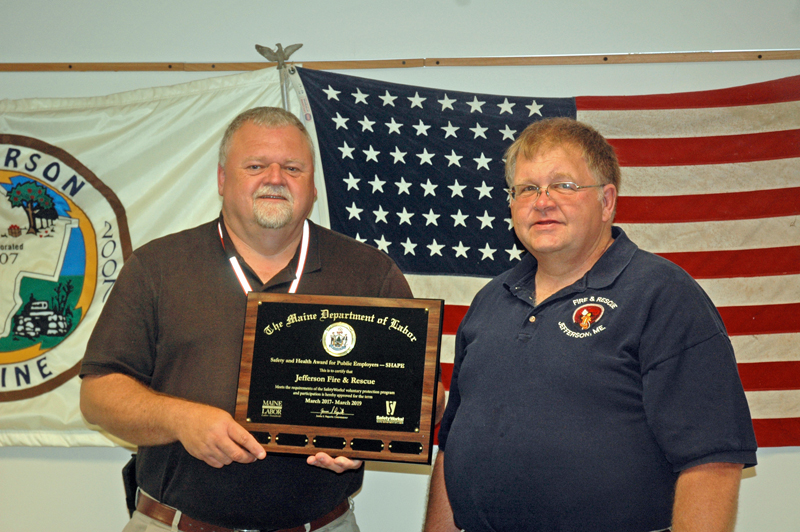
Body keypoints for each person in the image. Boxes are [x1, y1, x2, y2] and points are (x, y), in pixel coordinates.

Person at [81, 106, 443, 532]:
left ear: (312, 186)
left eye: (292, 167)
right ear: (222, 179)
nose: (275, 177)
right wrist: (181, 419)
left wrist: (366, 440)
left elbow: (428, 400)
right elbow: (98, 395)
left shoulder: (368, 272)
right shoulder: (157, 266)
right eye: (255, 165)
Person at [424, 117, 757, 532]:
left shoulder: (664, 296)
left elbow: (712, 461)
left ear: (607, 201)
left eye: (563, 185)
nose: (542, 201)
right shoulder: (490, 300)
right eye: (527, 188)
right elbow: (451, 447)